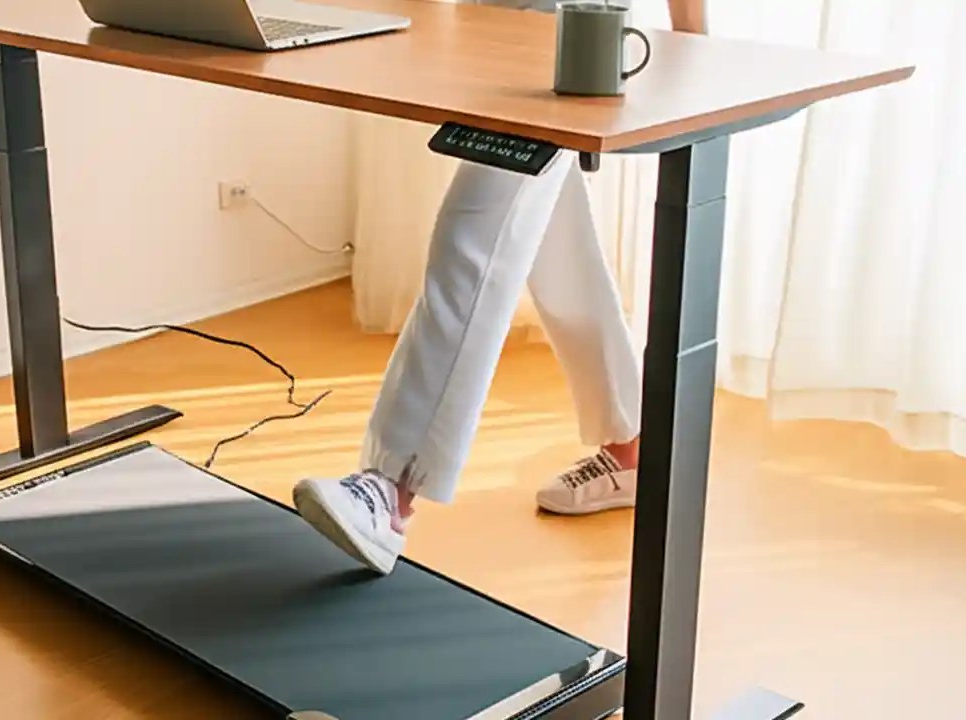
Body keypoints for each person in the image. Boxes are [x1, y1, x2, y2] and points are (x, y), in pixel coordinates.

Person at [293, 0, 709, 575]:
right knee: (557, 246)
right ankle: (630, 444)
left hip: (567, 44)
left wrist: (695, 43)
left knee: (474, 237)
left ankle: (391, 493)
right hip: (498, 35)